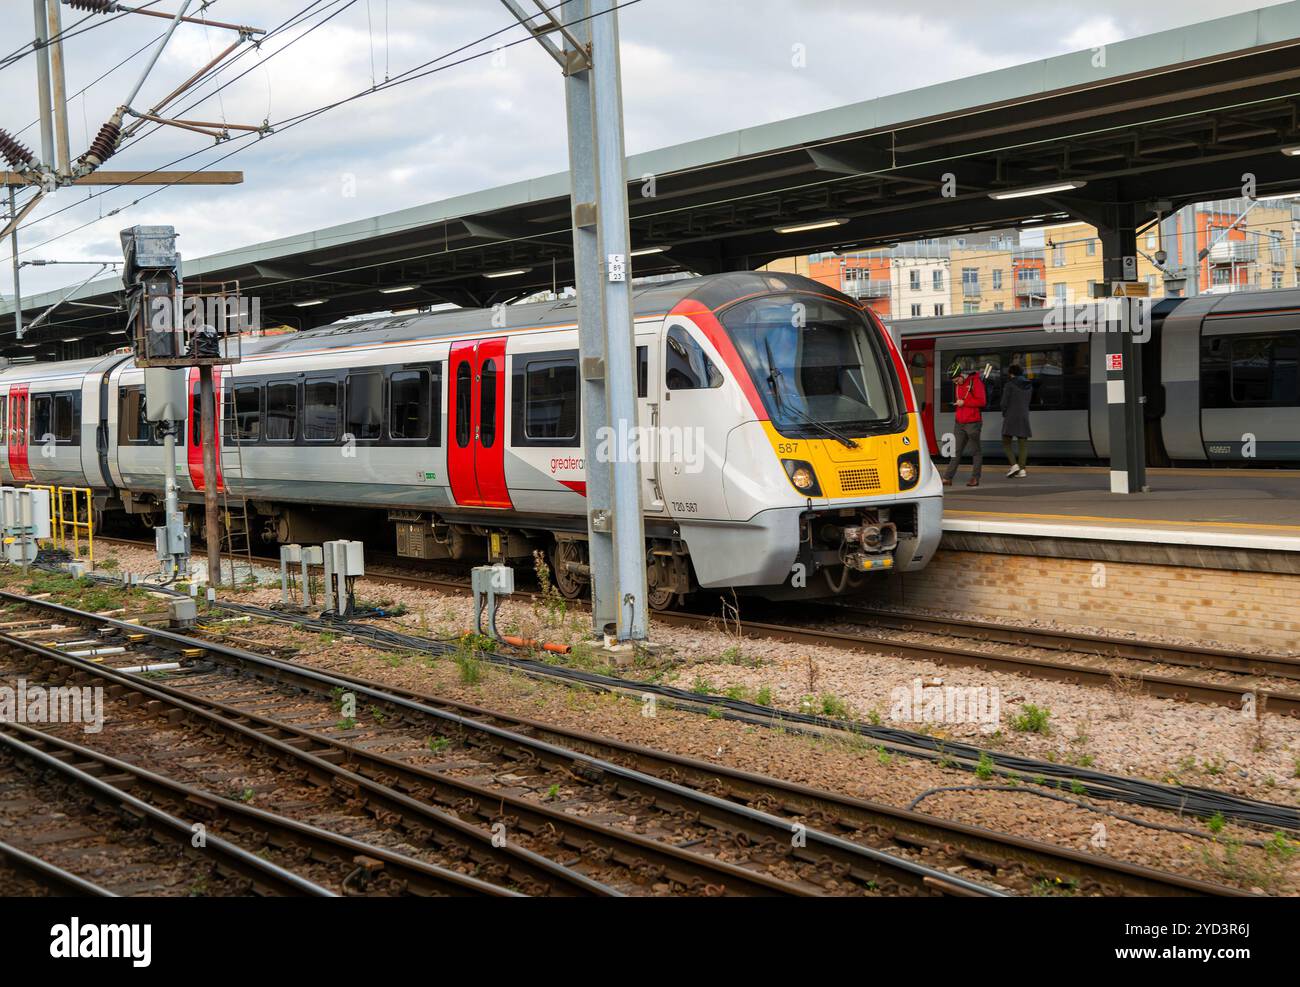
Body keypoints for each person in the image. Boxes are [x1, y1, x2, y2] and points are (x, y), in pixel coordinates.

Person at [941, 359, 986, 487]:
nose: (956, 383)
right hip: (959, 423)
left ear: (961, 375)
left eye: (957, 380)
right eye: (954, 382)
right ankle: (947, 478)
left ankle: (975, 478)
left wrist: (964, 403)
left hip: (973, 422)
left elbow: (982, 402)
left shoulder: (975, 382)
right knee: (955, 451)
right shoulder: (958, 385)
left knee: (975, 451)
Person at [1000, 363, 1032, 478]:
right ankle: (1022, 469)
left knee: (1006, 442)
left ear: (1011, 373)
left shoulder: (1009, 385)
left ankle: (1014, 465)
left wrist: (1004, 413)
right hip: (1024, 416)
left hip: (1011, 416)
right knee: (1023, 444)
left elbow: (1004, 403)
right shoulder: (1029, 385)